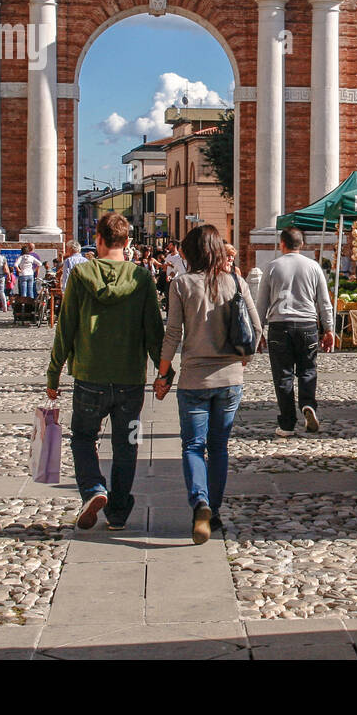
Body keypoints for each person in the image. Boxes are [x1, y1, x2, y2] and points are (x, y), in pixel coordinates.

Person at [47, 212, 164, 531]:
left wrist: (53, 373)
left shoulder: (82, 275)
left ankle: (93, 489)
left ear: (97, 239)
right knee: (128, 442)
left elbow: (66, 328)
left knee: (83, 438)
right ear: (128, 243)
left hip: (90, 376)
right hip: (130, 380)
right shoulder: (141, 278)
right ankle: (118, 511)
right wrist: (163, 372)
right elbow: (154, 329)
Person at [157, 224, 262, 544]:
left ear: (190, 254)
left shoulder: (182, 284)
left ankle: (199, 502)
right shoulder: (235, 281)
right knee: (218, 447)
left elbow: (173, 334)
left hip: (194, 378)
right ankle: (213, 511)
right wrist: (243, 360)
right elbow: (256, 329)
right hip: (230, 379)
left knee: (192, 446)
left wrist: (162, 374)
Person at [257, 227, 335, 437]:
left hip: (279, 326)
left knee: (283, 375)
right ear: (301, 244)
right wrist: (328, 329)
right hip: (307, 325)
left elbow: (261, 304)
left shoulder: (272, 267)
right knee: (308, 369)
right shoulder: (313, 267)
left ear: (282, 243)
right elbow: (324, 302)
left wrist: (257, 334)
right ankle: (308, 404)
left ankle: (287, 424)